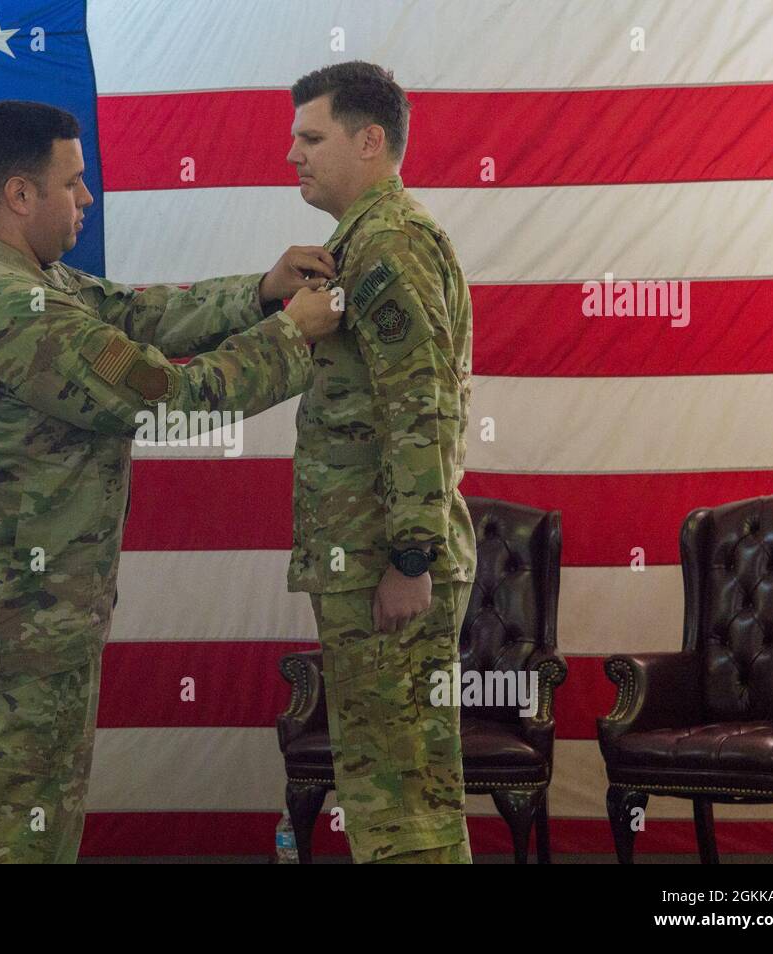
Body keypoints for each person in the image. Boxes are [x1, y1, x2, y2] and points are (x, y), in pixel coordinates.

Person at [0, 99, 342, 863]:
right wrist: (289, 333)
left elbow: (133, 316)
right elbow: (166, 396)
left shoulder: (12, 272)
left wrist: (259, 292)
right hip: (10, 615)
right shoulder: (10, 304)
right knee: (15, 833)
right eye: (74, 183)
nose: (88, 198)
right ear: (20, 195)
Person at [284, 62, 478, 863]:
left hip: (383, 564)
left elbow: (421, 406)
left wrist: (410, 556)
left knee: (404, 809)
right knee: (391, 797)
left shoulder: (387, 245)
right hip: (362, 558)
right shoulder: (360, 240)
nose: (293, 154)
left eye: (311, 137)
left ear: (371, 141)